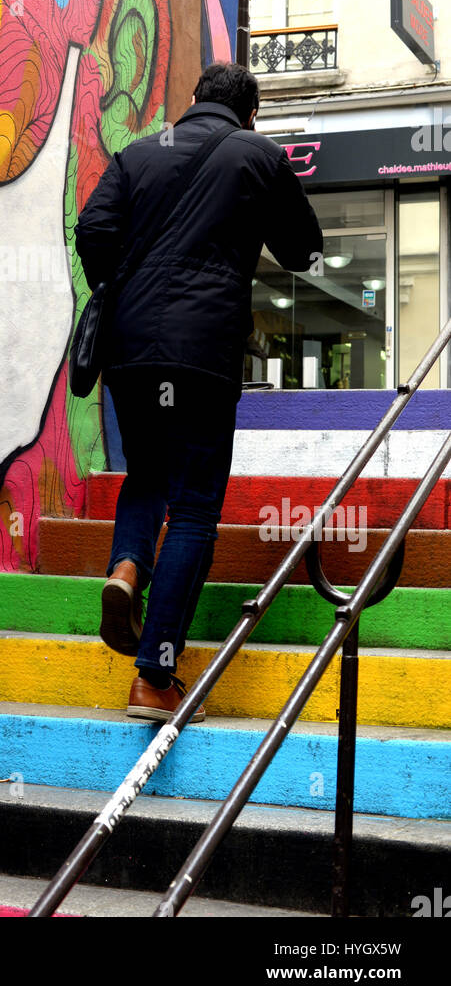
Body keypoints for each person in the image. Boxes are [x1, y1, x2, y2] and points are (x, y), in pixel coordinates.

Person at [74, 62, 323, 721]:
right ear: (250, 114)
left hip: (130, 348)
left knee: (145, 477)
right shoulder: (258, 155)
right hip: (202, 349)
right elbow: (302, 249)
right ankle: (153, 674)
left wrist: (132, 285)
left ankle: (126, 568)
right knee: (190, 508)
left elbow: (92, 232)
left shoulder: (136, 153)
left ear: (191, 101)